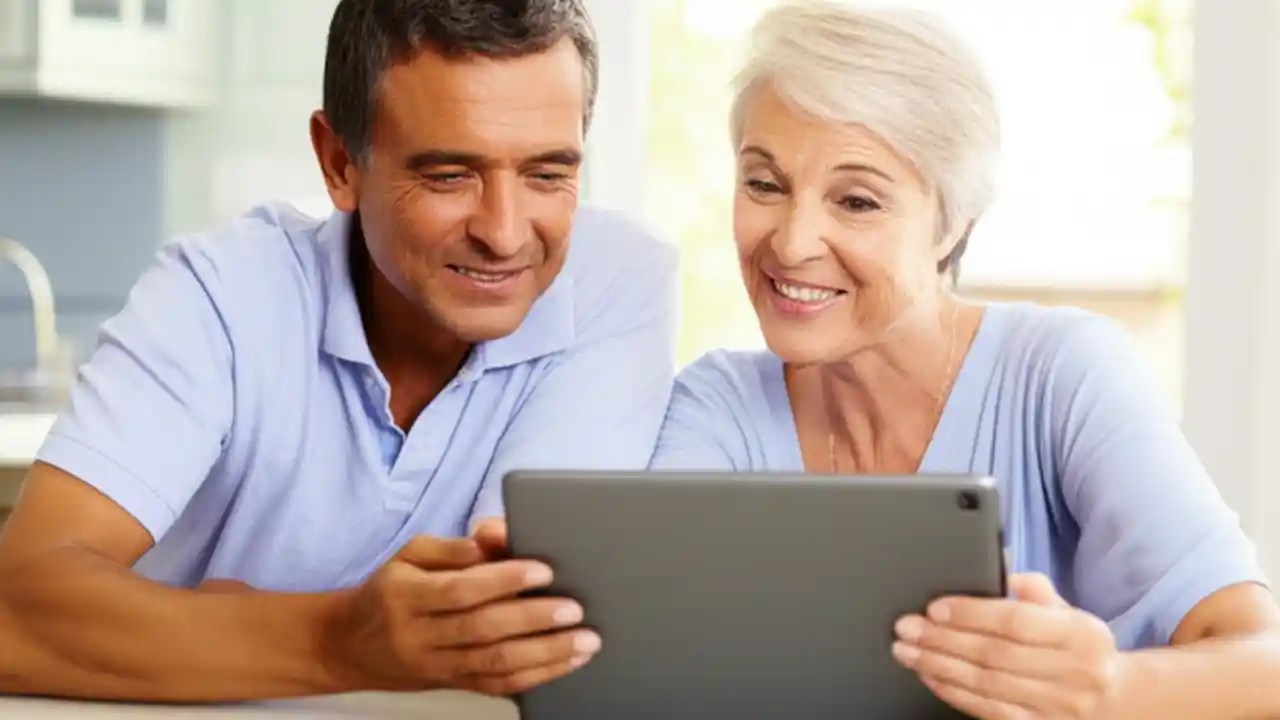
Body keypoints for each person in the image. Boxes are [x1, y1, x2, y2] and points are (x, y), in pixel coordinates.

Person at [0, 0, 677, 703]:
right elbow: (15, 612)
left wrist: (236, 615)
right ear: (338, 162)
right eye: (449, 175)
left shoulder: (616, 280)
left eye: (547, 174)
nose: (505, 235)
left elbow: (519, 607)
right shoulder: (222, 293)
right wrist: (339, 637)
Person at [650, 2, 1280, 717]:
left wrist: (1108, 689)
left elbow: (1264, 664)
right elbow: (653, 655)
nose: (792, 243)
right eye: (765, 184)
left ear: (951, 224)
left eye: (856, 201)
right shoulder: (717, 407)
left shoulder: (1060, 373)